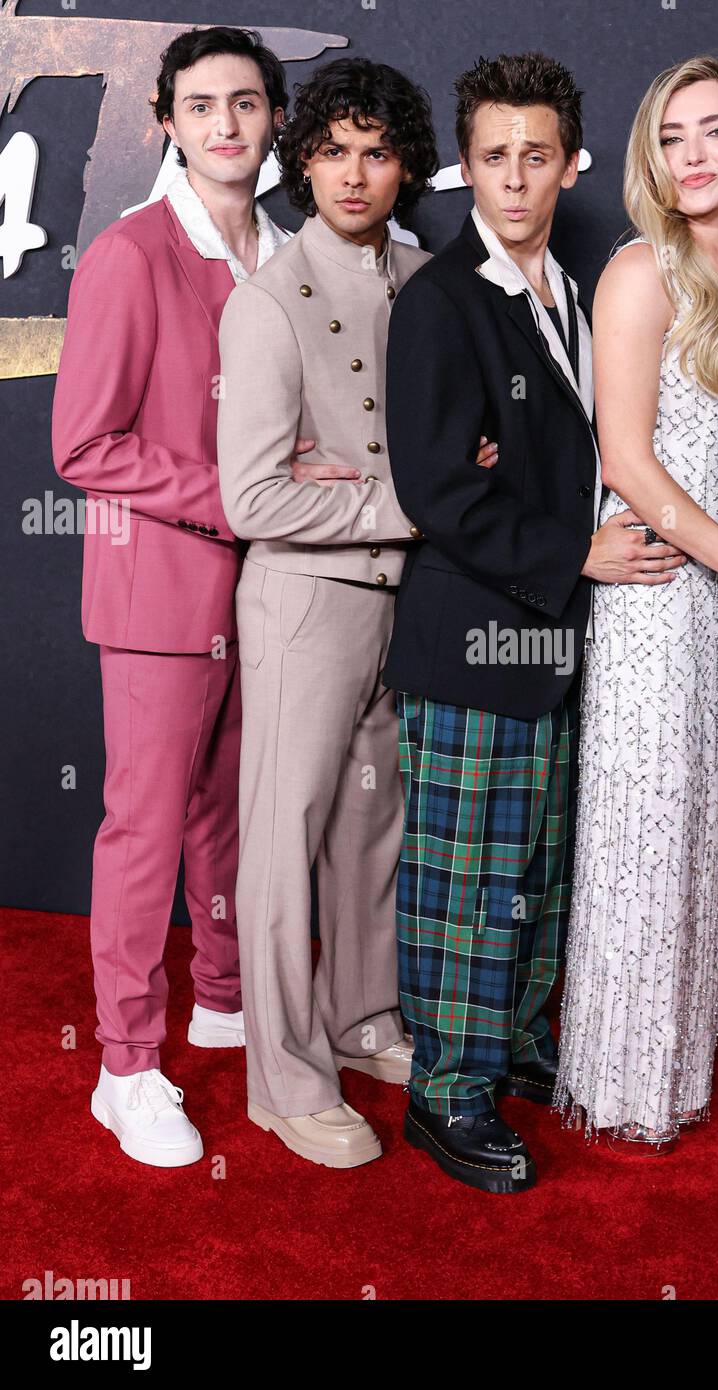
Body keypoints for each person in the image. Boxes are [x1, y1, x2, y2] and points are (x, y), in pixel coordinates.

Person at [382, 52, 682, 1193]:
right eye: (494, 158)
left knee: (539, 869)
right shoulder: (442, 299)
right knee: (465, 877)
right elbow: (436, 488)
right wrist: (574, 550)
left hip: (557, 642)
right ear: (464, 168)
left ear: (570, 164)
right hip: (474, 641)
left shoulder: (572, 285)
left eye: (536, 157)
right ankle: (444, 1094)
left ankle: (505, 1044)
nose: (514, 180)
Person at [216, 58, 488, 1168]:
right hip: (304, 605)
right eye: (331, 150)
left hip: (402, 601)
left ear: (407, 164)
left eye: (376, 151)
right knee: (284, 841)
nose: (354, 173)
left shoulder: (433, 276)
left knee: (374, 829)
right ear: (302, 162)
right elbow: (250, 496)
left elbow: (469, 434)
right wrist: (406, 501)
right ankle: (281, 1079)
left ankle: (362, 1016)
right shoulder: (266, 300)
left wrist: (452, 471)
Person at [51, 26, 291, 1168]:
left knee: (226, 813)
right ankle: (126, 1067)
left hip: (274, 591)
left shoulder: (284, 255)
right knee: (145, 825)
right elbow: (83, 444)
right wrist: (236, 498)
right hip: (160, 592)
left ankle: (225, 997)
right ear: (166, 121)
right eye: (201, 107)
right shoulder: (129, 253)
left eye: (245, 103)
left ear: (273, 118)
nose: (226, 125)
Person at [553, 57, 718, 1149]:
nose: (693, 157)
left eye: (716, 133)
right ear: (651, 157)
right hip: (663, 586)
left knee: (702, 833)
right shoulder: (638, 271)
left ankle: (673, 1061)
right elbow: (628, 460)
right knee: (643, 833)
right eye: (671, 137)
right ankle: (618, 1080)